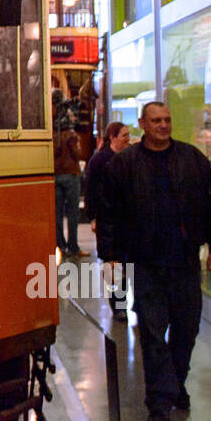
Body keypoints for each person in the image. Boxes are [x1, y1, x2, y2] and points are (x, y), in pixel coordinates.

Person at [97, 101, 211, 421]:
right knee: (151, 332)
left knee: (186, 330)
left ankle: (177, 383)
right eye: (156, 120)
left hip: (184, 260)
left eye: (167, 120)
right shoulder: (123, 165)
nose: (163, 125)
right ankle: (159, 403)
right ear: (143, 124)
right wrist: (109, 254)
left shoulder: (192, 160)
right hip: (146, 261)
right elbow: (108, 212)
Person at [83, 121, 130, 319]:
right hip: (108, 220)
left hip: (128, 220)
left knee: (128, 263)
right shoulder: (100, 160)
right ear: (113, 137)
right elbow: (91, 190)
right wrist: (93, 217)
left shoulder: (131, 158)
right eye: (124, 135)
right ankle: (119, 305)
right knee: (114, 263)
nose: (127, 138)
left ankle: (131, 304)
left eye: (128, 135)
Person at [54, 109, 85, 259]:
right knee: (73, 213)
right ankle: (73, 247)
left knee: (57, 214)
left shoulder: (51, 134)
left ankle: (60, 246)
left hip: (55, 175)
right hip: (70, 175)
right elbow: (78, 154)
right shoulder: (71, 135)